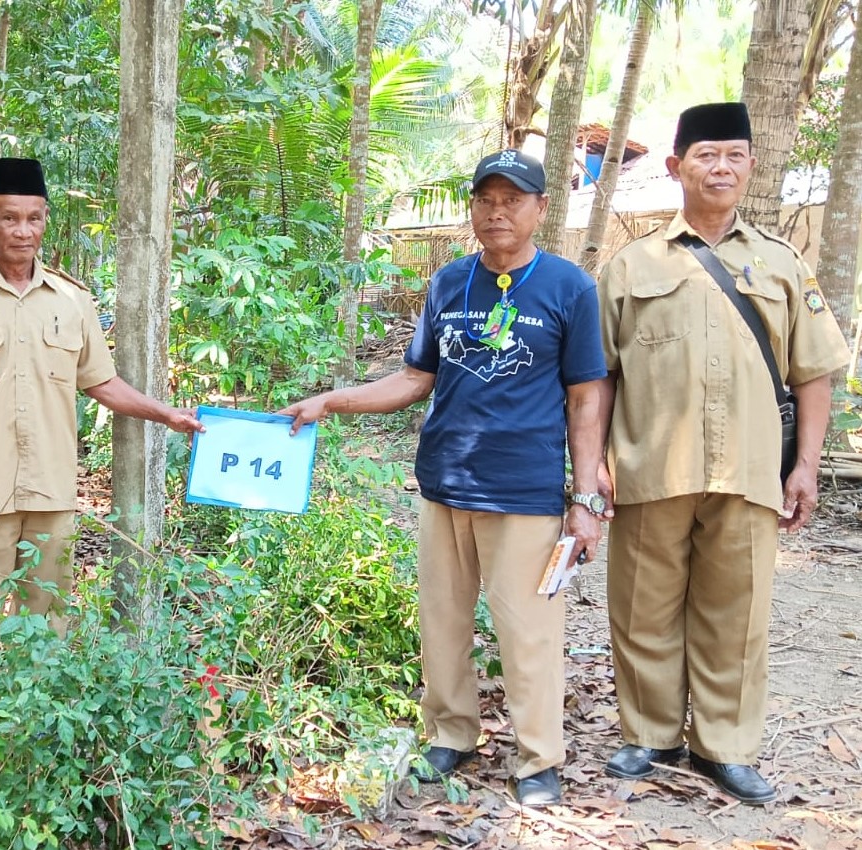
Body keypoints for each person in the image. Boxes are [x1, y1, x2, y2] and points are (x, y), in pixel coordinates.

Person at [282, 150, 608, 806]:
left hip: (523, 492)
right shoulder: (448, 284)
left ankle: (539, 758)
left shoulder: (569, 288)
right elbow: (413, 379)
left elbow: (586, 398)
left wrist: (587, 499)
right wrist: (331, 400)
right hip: (443, 485)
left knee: (527, 630)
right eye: (485, 199)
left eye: (512, 199)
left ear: (540, 209)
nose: (496, 211)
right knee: (442, 622)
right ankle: (451, 734)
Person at [596, 102, 851, 804]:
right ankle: (649, 734)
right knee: (641, 609)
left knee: (736, 616)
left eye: (734, 155)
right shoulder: (628, 266)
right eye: (705, 154)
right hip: (649, 466)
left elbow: (814, 371)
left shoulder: (780, 261)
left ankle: (724, 747)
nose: (721, 167)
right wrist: (591, 459)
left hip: (748, 470)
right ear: (675, 167)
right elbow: (597, 377)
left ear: (750, 166)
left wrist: (805, 467)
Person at [0, 157, 203, 707]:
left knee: (49, 623)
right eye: (8, 218)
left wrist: (167, 414)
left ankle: (39, 746)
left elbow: (103, 383)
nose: (22, 231)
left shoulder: (72, 300)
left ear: (46, 217)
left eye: (33, 218)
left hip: (52, 494)